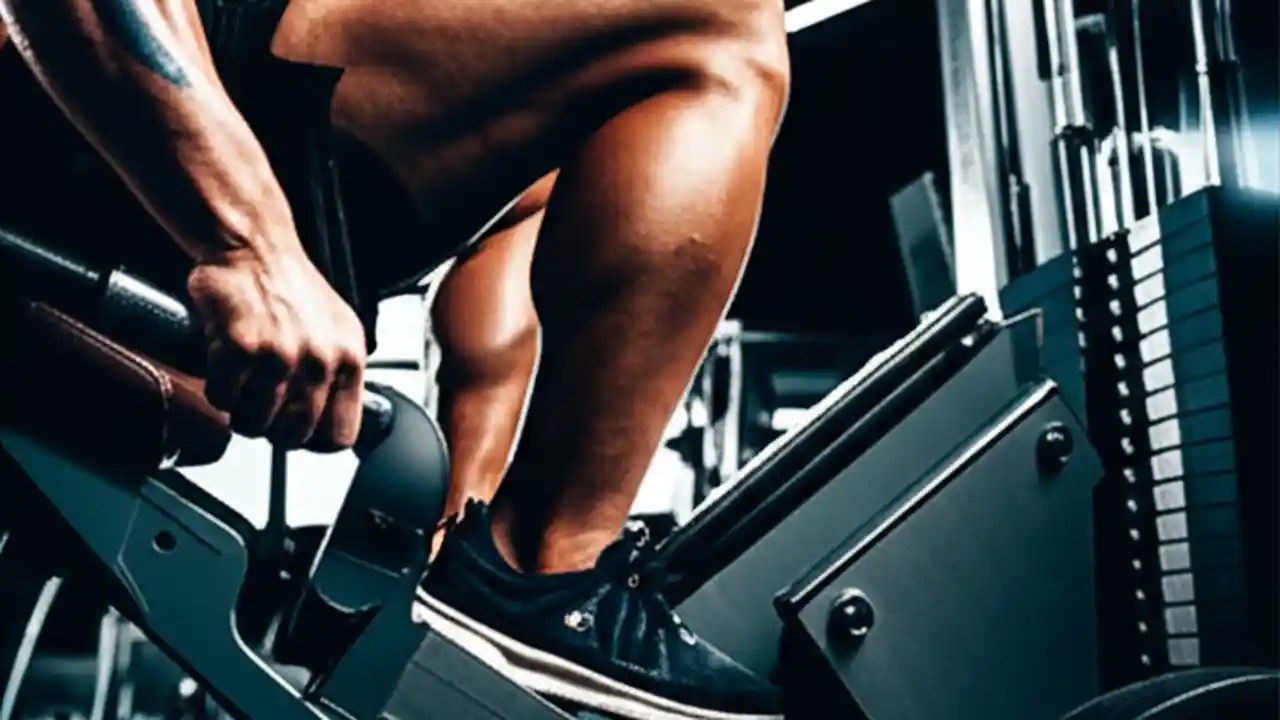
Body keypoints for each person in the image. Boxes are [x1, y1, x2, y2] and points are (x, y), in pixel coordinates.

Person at [0, 0, 790, 717]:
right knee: (718, 27)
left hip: (217, 118)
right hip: (76, 116)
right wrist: (249, 247)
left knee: (569, 130)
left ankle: (473, 569)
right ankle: (547, 568)